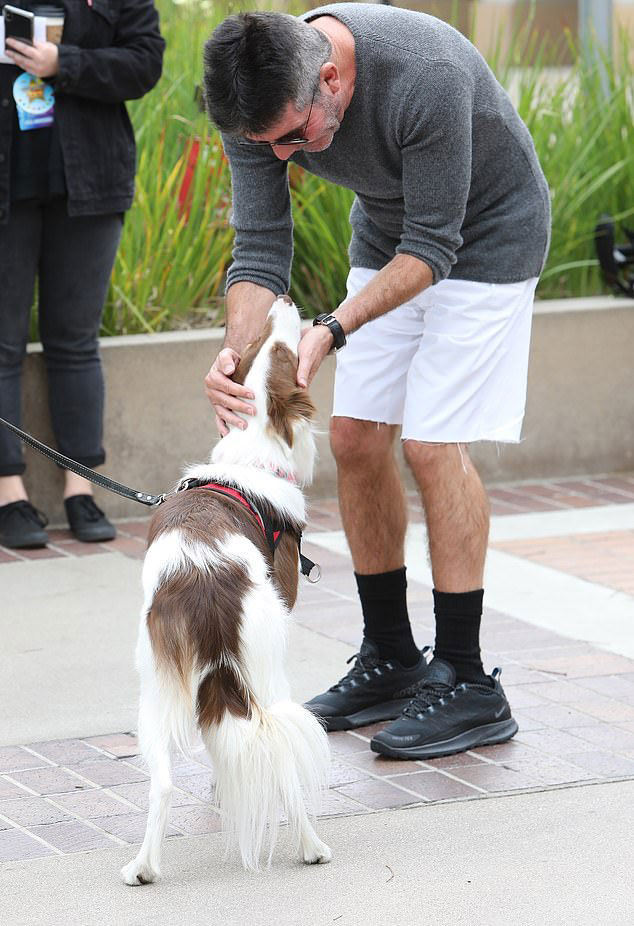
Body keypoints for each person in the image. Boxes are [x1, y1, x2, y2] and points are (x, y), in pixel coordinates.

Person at [202, 3, 551, 759]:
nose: (288, 158)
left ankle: (467, 677)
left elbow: (433, 247)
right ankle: (392, 656)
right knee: (357, 437)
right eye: (271, 147)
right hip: (391, 234)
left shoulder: (423, 73)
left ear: (330, 77)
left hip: (486, 237)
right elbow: (261, 247)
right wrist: (235, 356)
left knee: (430, 444)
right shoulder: (257, 107)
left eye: (297, 137)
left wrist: (330, 329)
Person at [0, 1, 165, 548]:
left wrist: (61, 64)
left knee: (75, 340)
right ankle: (10, 494)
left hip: (89, 181)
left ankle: (81, 488)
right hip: (8, 183)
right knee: (2, 344)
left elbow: (144, 62)